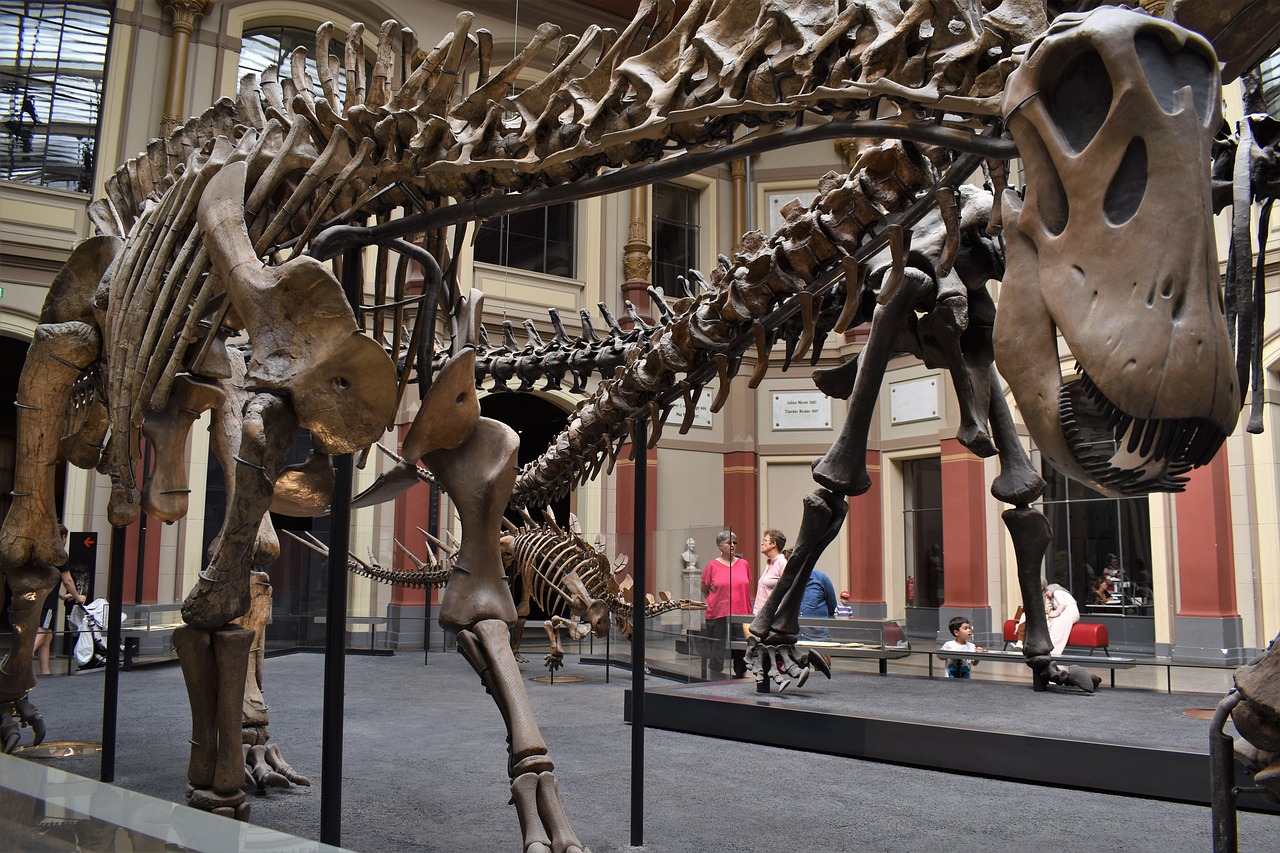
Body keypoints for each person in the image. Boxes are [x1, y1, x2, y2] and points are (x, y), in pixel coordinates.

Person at [32, 526, 85, 676]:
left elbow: (47, 579)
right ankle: (22, 660)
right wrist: (77, 596)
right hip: (47, 602)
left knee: (48, 636)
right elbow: (67, 580)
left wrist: (61, 595)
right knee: (42, 630)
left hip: (36, 597)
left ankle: (46, 671)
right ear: (62, 537)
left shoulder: (40, 553)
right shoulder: (59, 555)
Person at [700, 530, 753, 677]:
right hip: (718, 612)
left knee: (740, 648)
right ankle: (715, 678)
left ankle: (740, 676)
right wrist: (716, 601)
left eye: (735, 542)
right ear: (720, 546)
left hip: (740, 612)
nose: (732, 545)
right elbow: (705, 588)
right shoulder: (712, 566)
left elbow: (745, 585)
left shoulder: (744, 564)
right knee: (717, 647)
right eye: (729, 542)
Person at [753, 528, 787, 615]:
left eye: (765, 540)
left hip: (772, 617)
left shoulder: (782, 562)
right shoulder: (769, 563)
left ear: (773, 544)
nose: (762, 543)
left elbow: (787, 590)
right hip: (760, 616)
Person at [1044, 577, 1080, 655]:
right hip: (1064, 613)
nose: (1046, 593)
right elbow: (1047, 609)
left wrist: (1054, 614)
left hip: (1070, 612)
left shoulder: (1057, 592)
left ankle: (1055, 650)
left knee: (1058, 625)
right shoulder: (1053, 597)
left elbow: (1062, 604)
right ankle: (1050, 647)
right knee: (1052, 624)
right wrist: (1047, 600)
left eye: (1046, 591)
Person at [798, 568, 837, 641]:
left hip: (818, 638)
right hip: (797, 639)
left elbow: (832, 606)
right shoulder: (790, 580)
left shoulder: (821, 579)